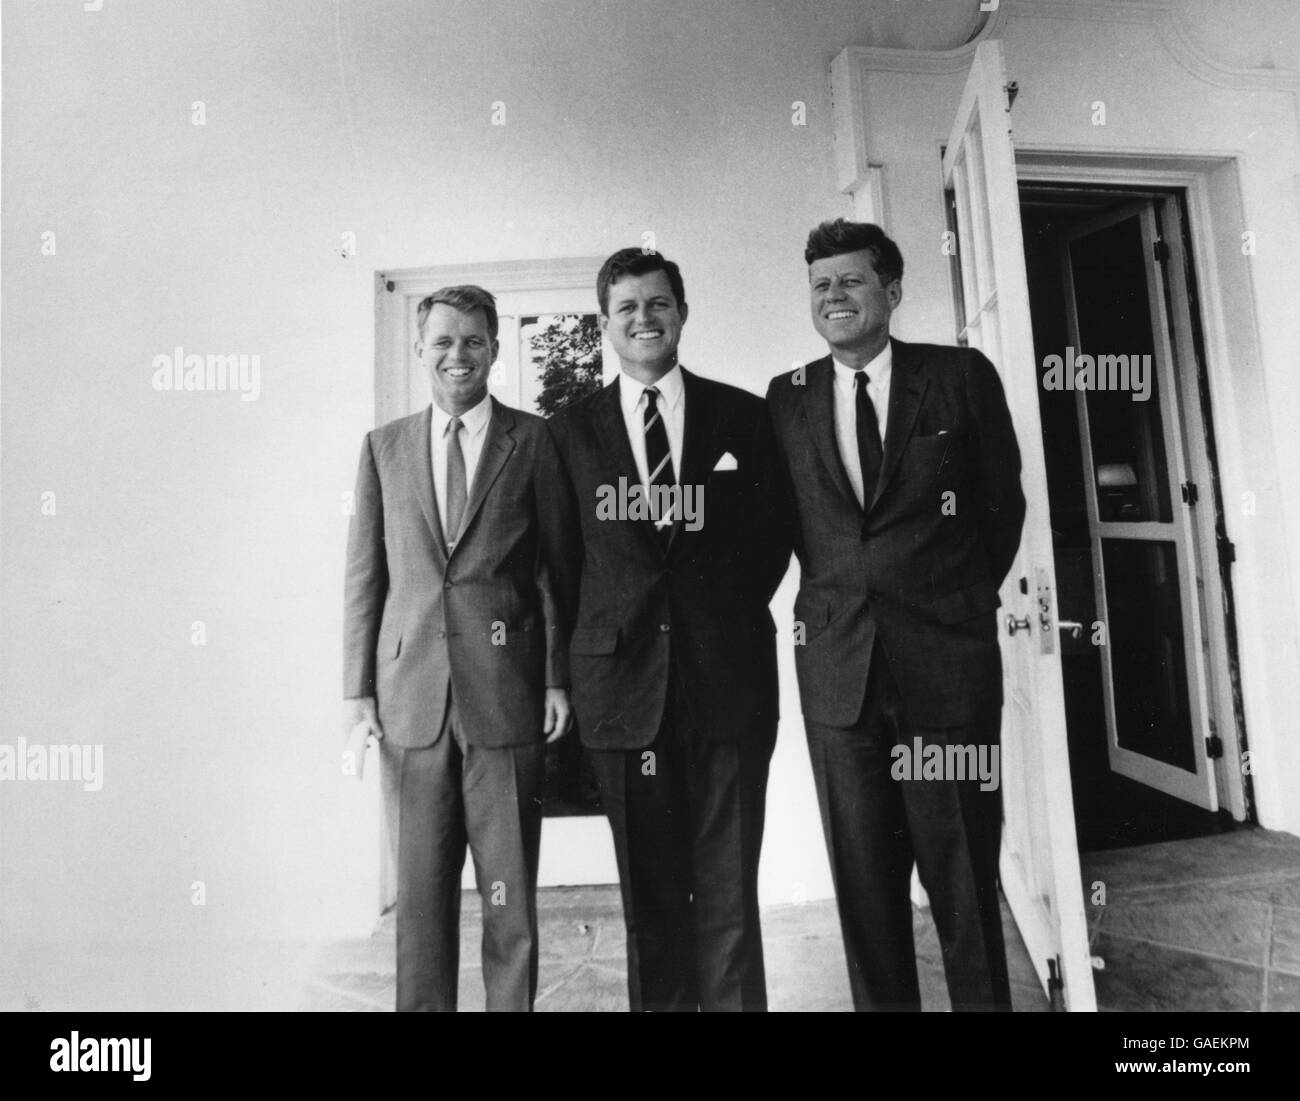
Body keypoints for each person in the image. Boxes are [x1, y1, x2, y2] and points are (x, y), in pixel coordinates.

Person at [766, 219, 1026, 1012]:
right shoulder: (789, 396)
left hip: (947, 677)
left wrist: (952, 605)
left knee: (963, 876)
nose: (833, 296)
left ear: (893, 290)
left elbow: (1001, 508)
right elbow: (782, 526)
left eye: (849, 280)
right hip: (842, 684)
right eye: (820, 284)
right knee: (866, 887)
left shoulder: (958, 376)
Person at [548, 248, 793, 1011]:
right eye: (627, 307)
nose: (644, 318)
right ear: (606, 325)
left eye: (658, 303)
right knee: (650, 901)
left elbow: (772, 538)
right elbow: (561, 564)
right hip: (621, 695)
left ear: (682, 313)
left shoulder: (742, 416)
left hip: (728, 687)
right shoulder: (568, 434)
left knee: (727, 892)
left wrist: (711, 618)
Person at [342, 284, 577, 1012]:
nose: (458, 355)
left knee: (511, 901)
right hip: (409, 701)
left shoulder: (534, 441)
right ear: (420, 351)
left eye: (473, 340)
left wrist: (555, 678)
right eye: (442, 341)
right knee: (421, 898)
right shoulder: (383, 448)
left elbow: (555, 570)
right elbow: (363, 576)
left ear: (495, 349)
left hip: (506, 698)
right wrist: (357, 694)